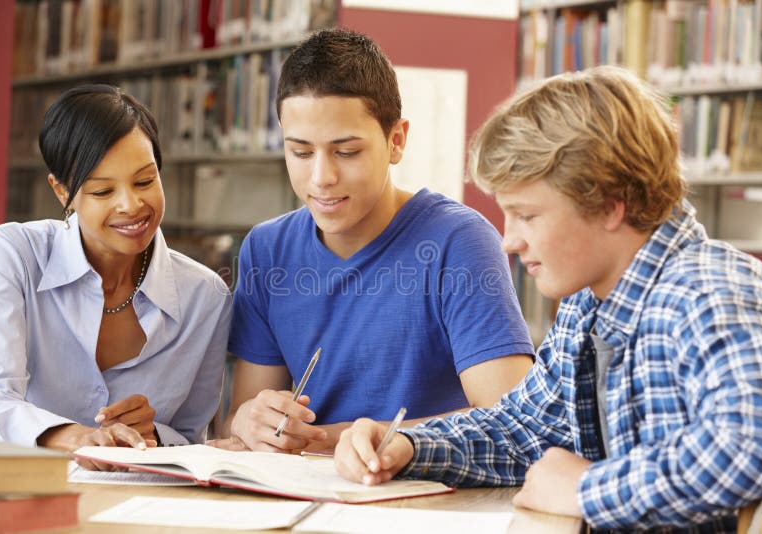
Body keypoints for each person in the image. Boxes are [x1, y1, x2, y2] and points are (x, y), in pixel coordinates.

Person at [333, 66, 762, 532]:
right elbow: (525, 432)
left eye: (527, 215)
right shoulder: (587, 304)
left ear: (609, 205)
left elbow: (748, 444)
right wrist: (411, 445)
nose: (508, 241)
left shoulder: (710, 290)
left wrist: (588, 490)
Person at [214, 28, 534, 454]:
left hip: (429, 496)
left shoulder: (460, 241)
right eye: (301, 152)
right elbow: (239, 418)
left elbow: (509, 418)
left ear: (396, 141)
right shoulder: (267, 249)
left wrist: (335, 438)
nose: (321, 178)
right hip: (306, 494)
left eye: (346, 152)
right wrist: (249, 421)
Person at [0, 85, 232, 468]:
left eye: (144, 181)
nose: (131, 205)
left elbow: (192, 439)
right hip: (28, 495)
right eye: (103, 191)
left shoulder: (206, 297)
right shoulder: (12, 256)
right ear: (62, 192)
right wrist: (78, 438)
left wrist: (152, 434)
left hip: (141, 508)